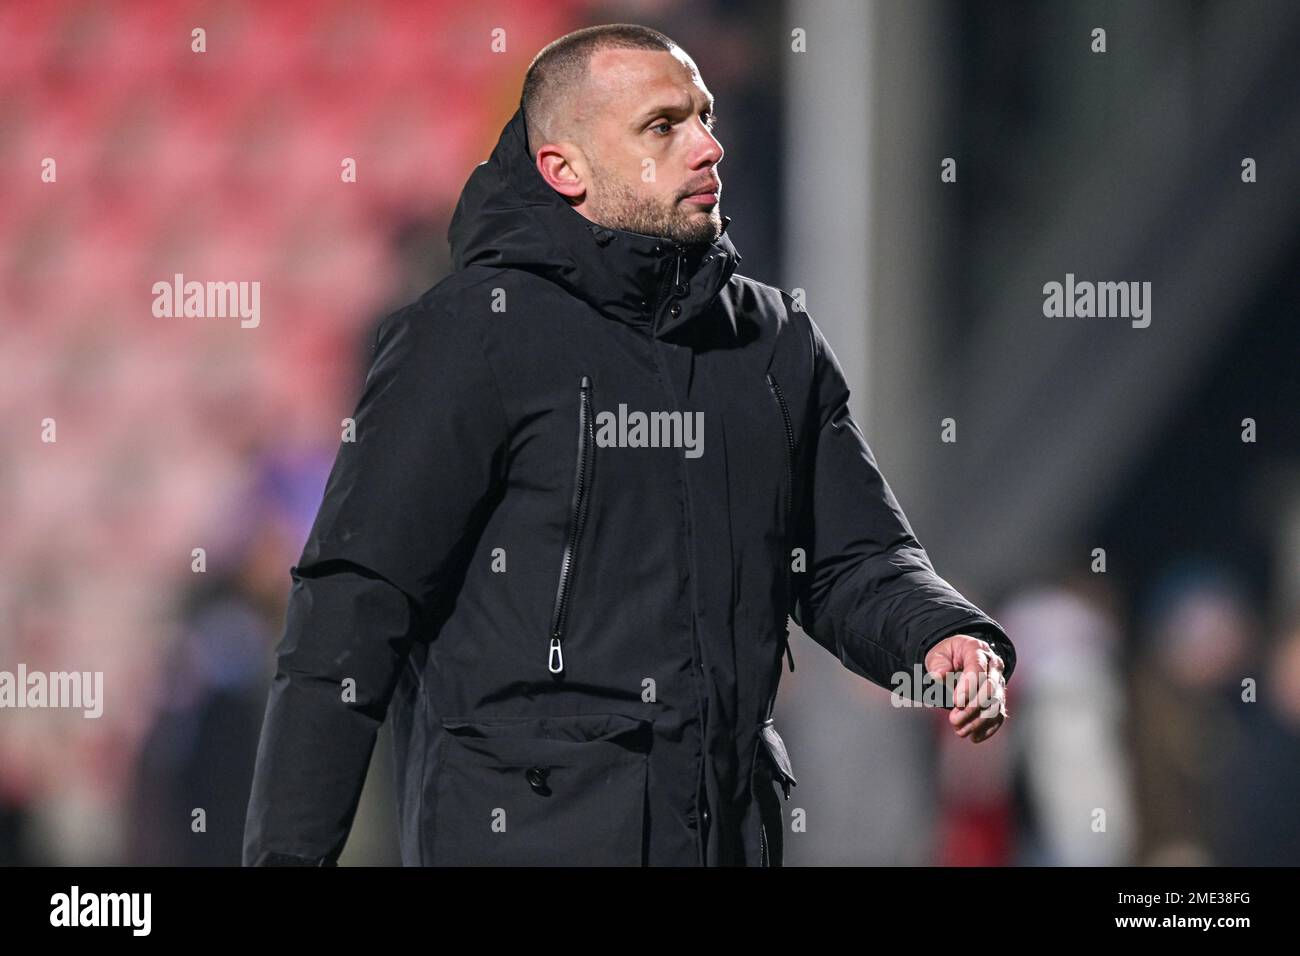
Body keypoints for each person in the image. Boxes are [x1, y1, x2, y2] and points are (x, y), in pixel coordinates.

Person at [242, 22, 1016, 868]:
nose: (709, 146)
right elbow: (351, 612)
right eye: (663, 126)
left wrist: (936, 634)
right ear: (563, 168)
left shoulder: (771, 342)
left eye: (705, 116)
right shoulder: (468, 338)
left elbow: (850, 558)